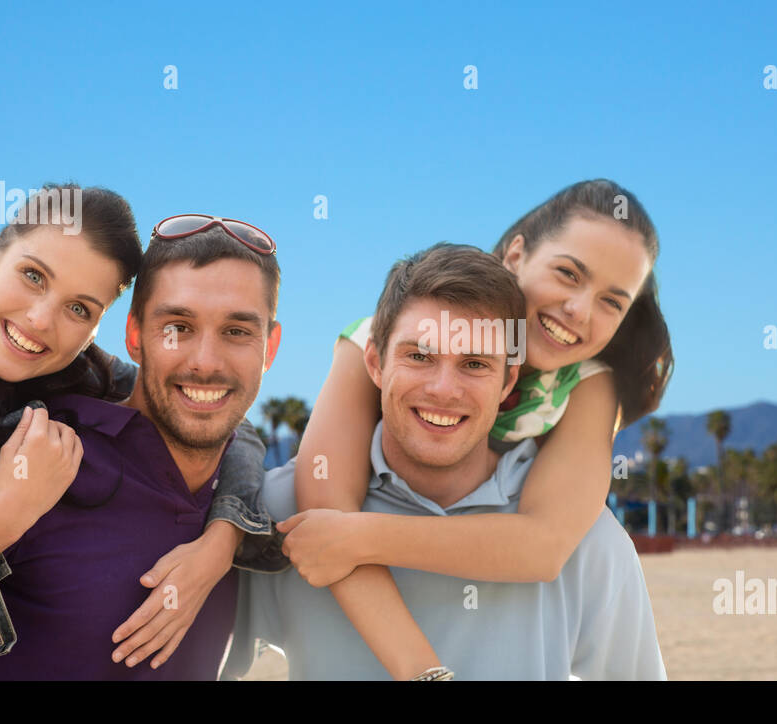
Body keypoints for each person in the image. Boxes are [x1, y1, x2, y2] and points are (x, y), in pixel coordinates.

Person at [0, 192, 281, 679]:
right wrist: (7, 515)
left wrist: (221, 540)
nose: (41, 320)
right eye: (33, 276)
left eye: (80, 309)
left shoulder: (74, 366)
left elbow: (219, 417)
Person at [275, 180, 673, 679]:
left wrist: (364, 535)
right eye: (568, 273)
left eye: (612, 302)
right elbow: (324, 516)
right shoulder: (390, 336)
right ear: (516, 254)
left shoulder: (588, 385)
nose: (579, 310)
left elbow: (543, 547)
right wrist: (423, 671)